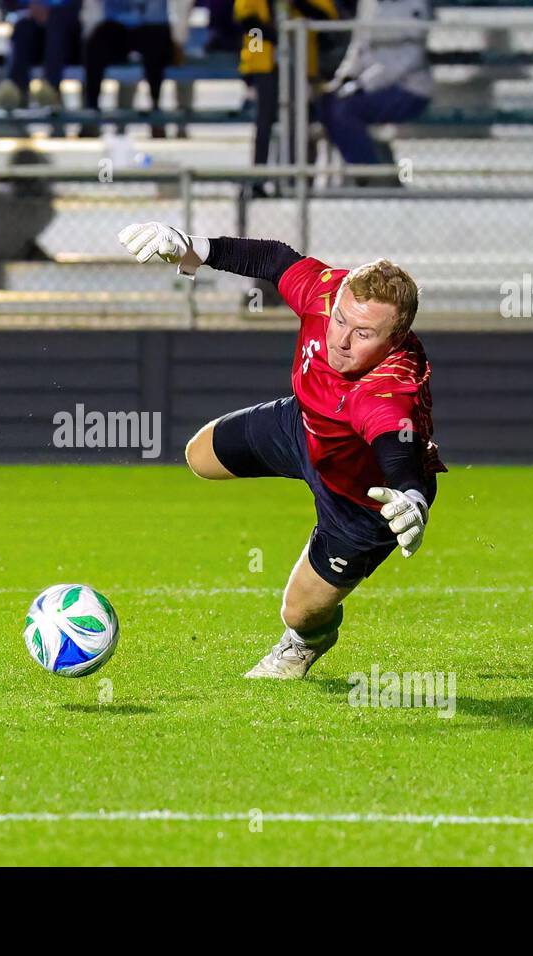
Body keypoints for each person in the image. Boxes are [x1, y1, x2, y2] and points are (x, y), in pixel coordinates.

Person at [119, 220, 446, 679]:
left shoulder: (390, 387)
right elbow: (272, 259)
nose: (341, 340)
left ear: (395, 339)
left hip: (361, 498)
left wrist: (410, 498)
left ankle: (306, 643)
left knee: (298, 614)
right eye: (341, 321)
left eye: (364, 334)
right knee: (200, 455)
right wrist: (191, 246)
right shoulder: (328, 292)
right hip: (302, 426)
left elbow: (398, 446)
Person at [317, 0, 431, 176]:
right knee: (326, 102)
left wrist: (363, 84)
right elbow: (359, 47)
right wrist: (344, 78)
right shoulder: (368, 3)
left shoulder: (415, 4)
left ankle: (370, 175)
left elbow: (409, 59)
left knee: (344, 110)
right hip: (371, 85)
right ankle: (370, 169)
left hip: (408, 88)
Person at [236, 0, 353, 168]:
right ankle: (258, 176)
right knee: (264, 120)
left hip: (301, 63)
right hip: (263, 61)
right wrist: (273, 38)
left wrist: (297, 4)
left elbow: (326, 16)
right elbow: (249, 22)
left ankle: (297, 174)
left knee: (300, 120)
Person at [80, 0, 187, 132]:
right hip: (117, 26)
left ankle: (155, 106)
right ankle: (92, 107)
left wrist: (179, 39)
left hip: (152, 27)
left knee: (155, 44)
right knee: (95, 44)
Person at [0, 0, 83, 109]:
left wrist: (48, 8)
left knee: (56, 23)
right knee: (22, 27)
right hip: (35, 29)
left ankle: (51, 89)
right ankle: (15, 89)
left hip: (68, 36)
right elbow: (9, 4)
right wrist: (32, 4)